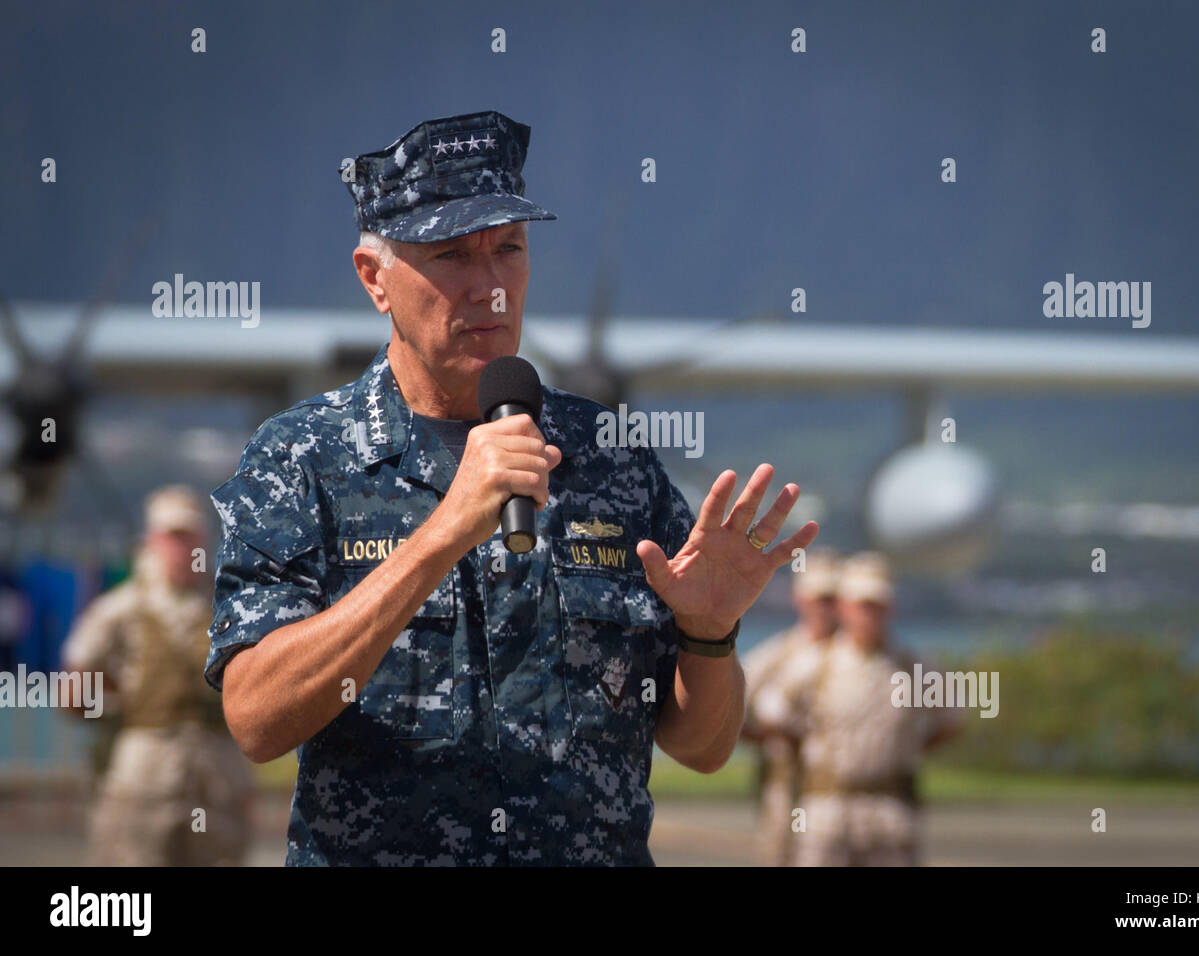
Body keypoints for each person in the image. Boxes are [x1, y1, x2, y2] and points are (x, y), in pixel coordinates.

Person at [205, 110, 819, 866]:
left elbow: (703, 747)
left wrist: (711, 635)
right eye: (452, 255)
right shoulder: (303, 460)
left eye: (508, 249)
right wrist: (442, 534)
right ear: (376, 279)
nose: (490, 287)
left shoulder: (609, 458)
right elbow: (258, 720)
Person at [62, 485, 254, 866]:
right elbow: (73, 687)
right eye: (172, 537)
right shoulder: (120, 610)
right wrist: (119, 710)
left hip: (216, 778)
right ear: (152, 540)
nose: (181, 549)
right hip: (143, 776)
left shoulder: (228, 607)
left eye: (189, 538)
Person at [750, 552, 962, 866]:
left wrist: (904, 751)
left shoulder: (912, 665)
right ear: (846, 607)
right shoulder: (812, 661)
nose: (870, 615)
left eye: (878, 606)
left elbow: (952, 719)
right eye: (863, 605)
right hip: (825, 807)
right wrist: (808, 753)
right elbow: (769, 714)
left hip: (891, 809)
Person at [740, 549, 841, 865]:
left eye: (833, 598)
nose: (826, 607)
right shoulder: (775, 656)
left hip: (842, 792)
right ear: (801, 599)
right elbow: (730, 714)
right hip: (786, 786)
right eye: (820, 598)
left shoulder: (859, 656)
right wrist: (773, 735)